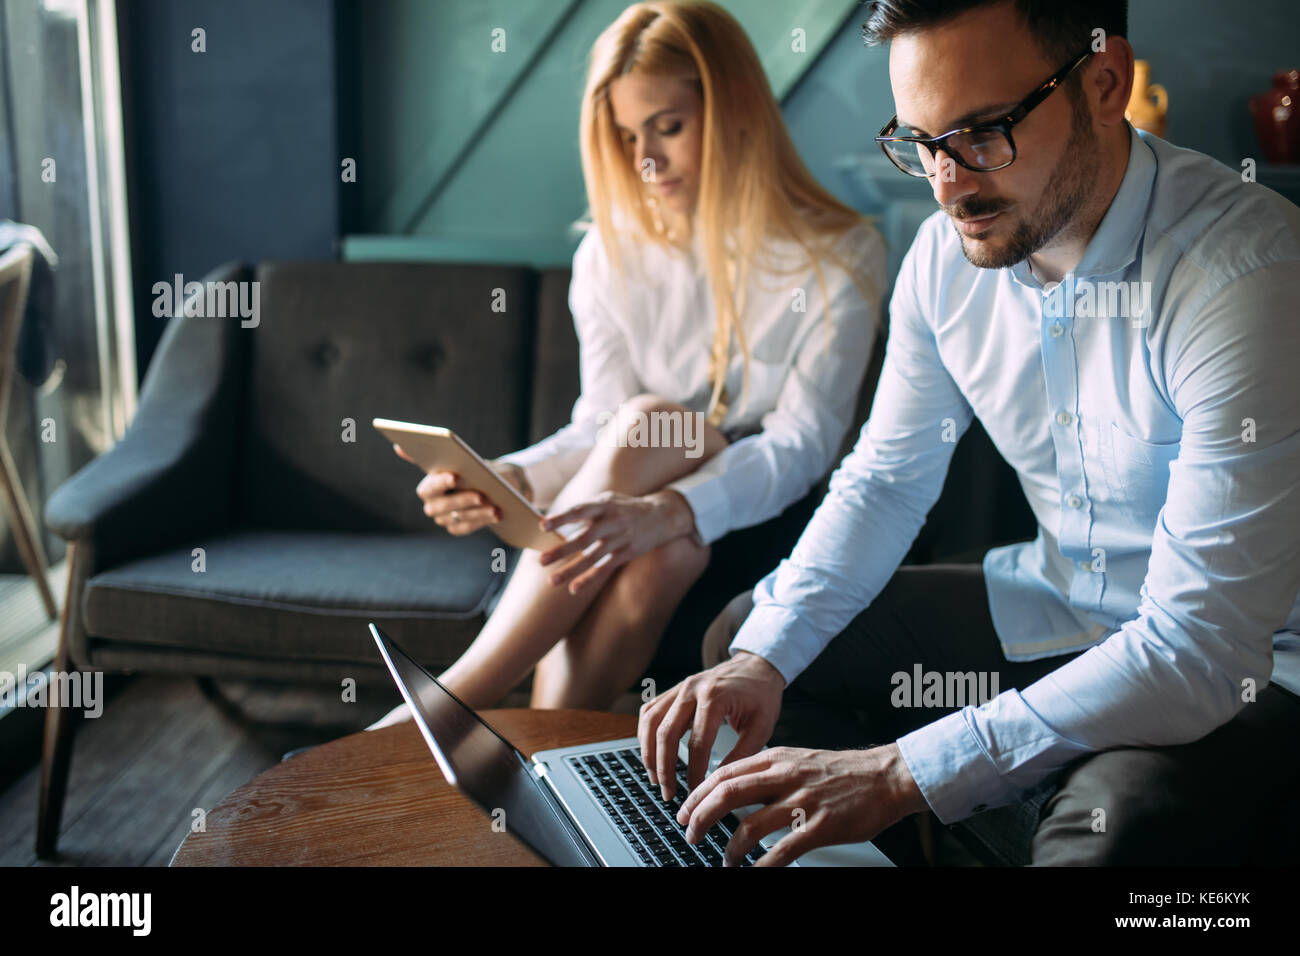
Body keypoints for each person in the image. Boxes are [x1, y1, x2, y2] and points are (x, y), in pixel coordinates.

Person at [641, 0, 1300, 867]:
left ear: (1106, 84)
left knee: (1109, 840)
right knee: (749, 643)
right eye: (919, 141)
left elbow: (1195, 647)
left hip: (1248, 665)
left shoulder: (1244, 276)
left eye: (984, 132)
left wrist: (899, 771)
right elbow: (885, 482)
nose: (947, 182)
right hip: (1064, 605)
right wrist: (764, 658)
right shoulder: (941, 263)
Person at [373, 0, 885, 721]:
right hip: (643, 529)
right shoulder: (608, 255)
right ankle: (540, 756)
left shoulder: (842, 255)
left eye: (669, 128)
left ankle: (455, 700)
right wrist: (510, 478)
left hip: (769, 521)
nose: (646, 161)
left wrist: (670, 508)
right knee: (658, 539)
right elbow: (598, 428)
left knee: (654, 432)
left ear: (735, 108)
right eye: (626, 136)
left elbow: (802, 447)